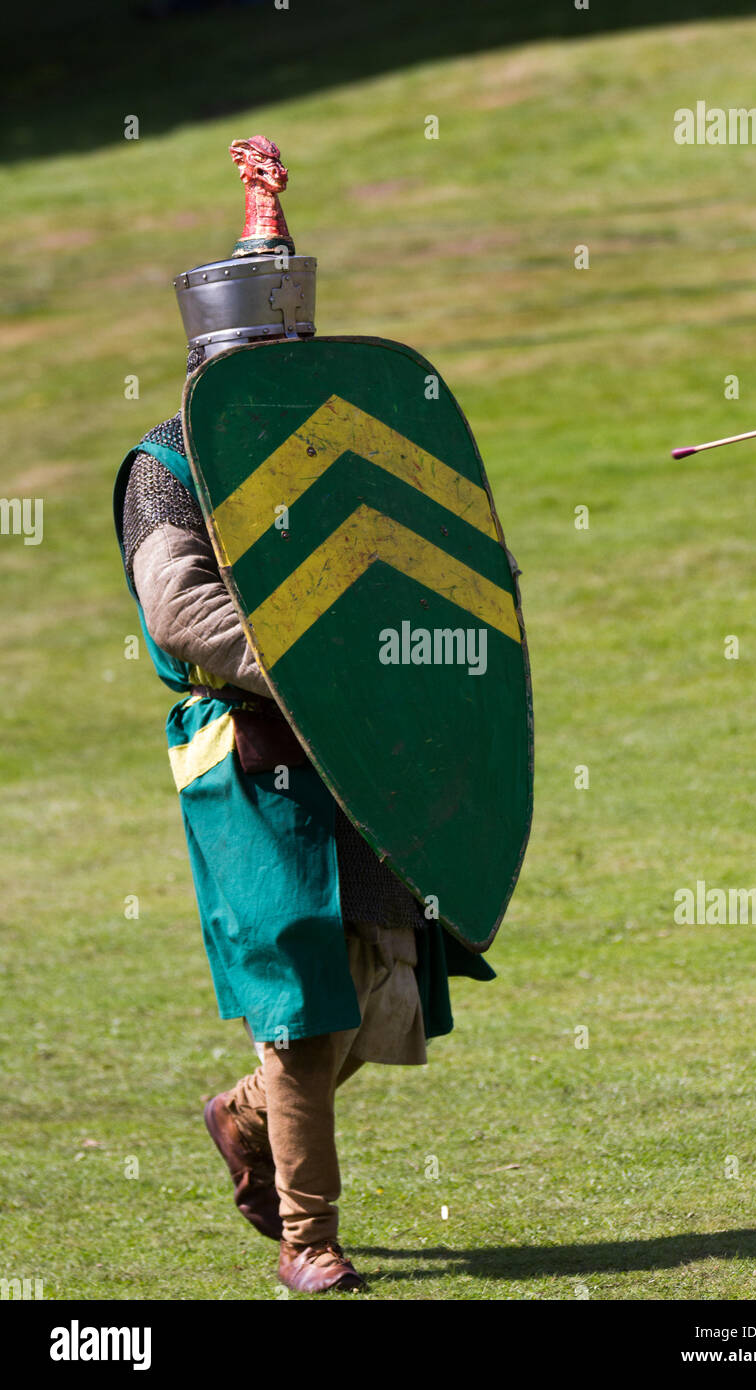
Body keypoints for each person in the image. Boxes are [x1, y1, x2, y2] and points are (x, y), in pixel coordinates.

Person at [112, 138, 495, 1293]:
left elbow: (423, 568)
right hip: (251, 746)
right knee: (293, 999)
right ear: (213, 367)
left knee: (365, 990)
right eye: (260, 353)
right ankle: (307, 1240)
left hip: (363, 749)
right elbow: (182, 612)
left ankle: (242, 1115)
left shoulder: (344, 455)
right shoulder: (166, 463)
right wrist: (316, 674)